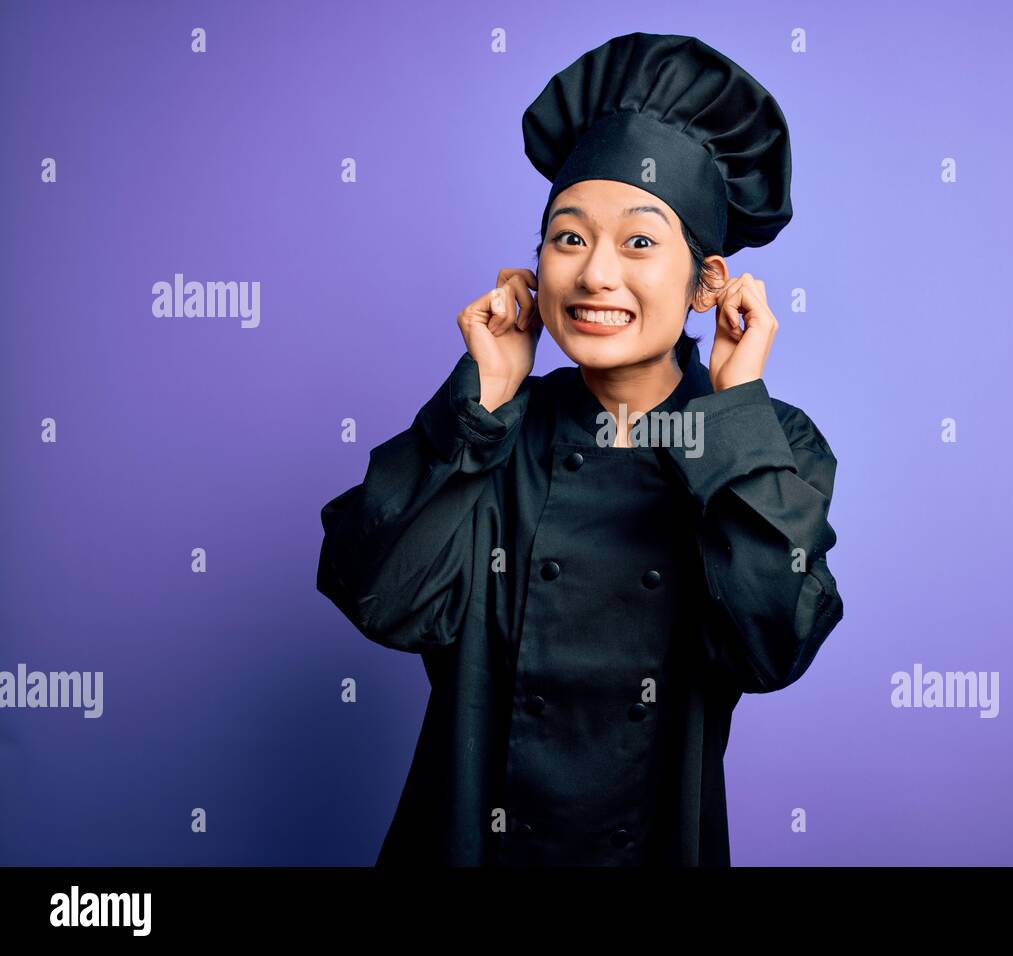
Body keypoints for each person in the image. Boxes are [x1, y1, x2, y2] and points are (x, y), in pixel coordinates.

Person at [316, 32, 845, 866]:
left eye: (639, 242)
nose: (595, 275)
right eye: (568, 238)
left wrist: (735, 410)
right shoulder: (494, 431)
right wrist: (481, 398)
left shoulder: (772, 446)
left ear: (707, 285)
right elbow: (377, 594)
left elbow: (772, 644)